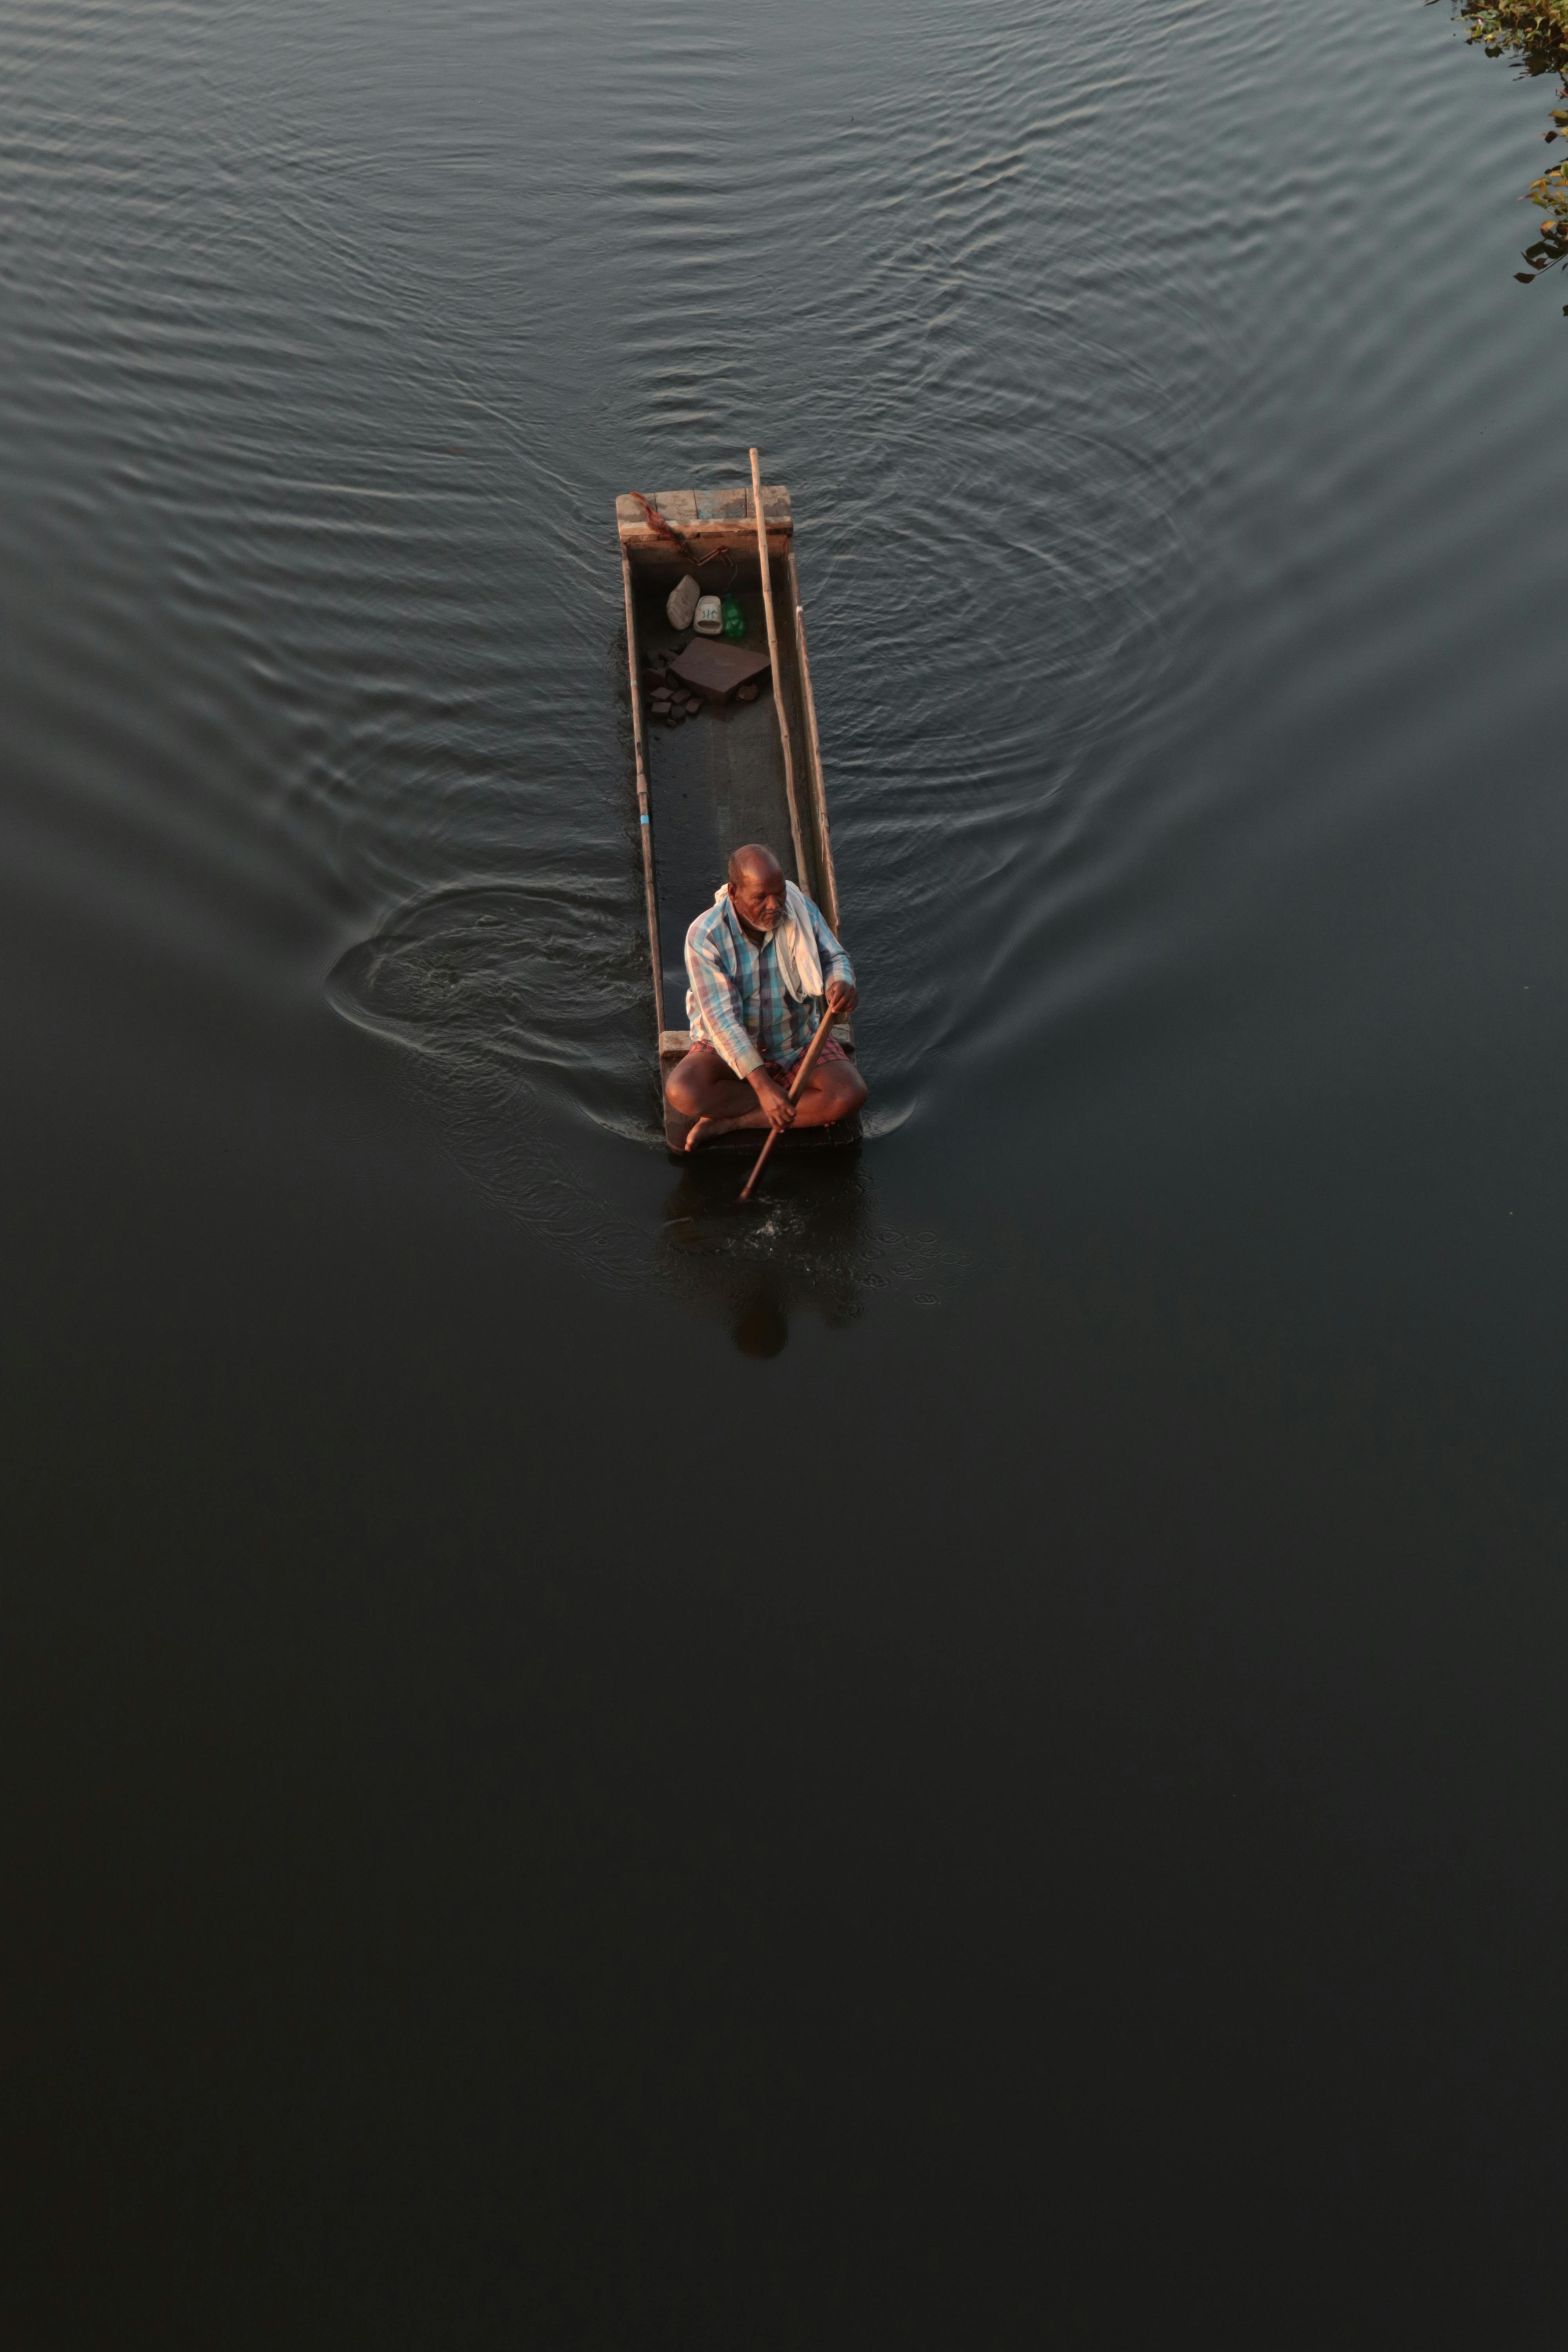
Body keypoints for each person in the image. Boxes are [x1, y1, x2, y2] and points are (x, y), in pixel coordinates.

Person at [666, 844, 867, 1152]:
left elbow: (834, 958)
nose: (774, 905)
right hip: (727, 1047)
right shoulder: (705, 935)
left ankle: (734, 1120)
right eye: (760, 898)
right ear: (734, 893)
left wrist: (841, 982)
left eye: (779, 893)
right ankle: (796, 1105)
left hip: (796, 1041)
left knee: (849, 1095)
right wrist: (763, 1087)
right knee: (683, 1092)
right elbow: (722, 1020)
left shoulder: (801, 910)